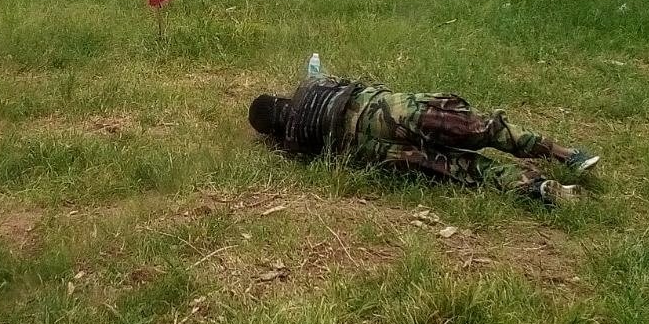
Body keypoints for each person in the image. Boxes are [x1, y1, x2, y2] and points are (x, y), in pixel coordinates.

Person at [249, 76, 600, 204]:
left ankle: (538, 189)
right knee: (477, 128)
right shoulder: (309, 87)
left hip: (375, 151)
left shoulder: (293, 143)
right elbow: (346, 83)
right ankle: (562, 153)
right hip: (387, 110)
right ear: (279, 100)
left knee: (465, 169)